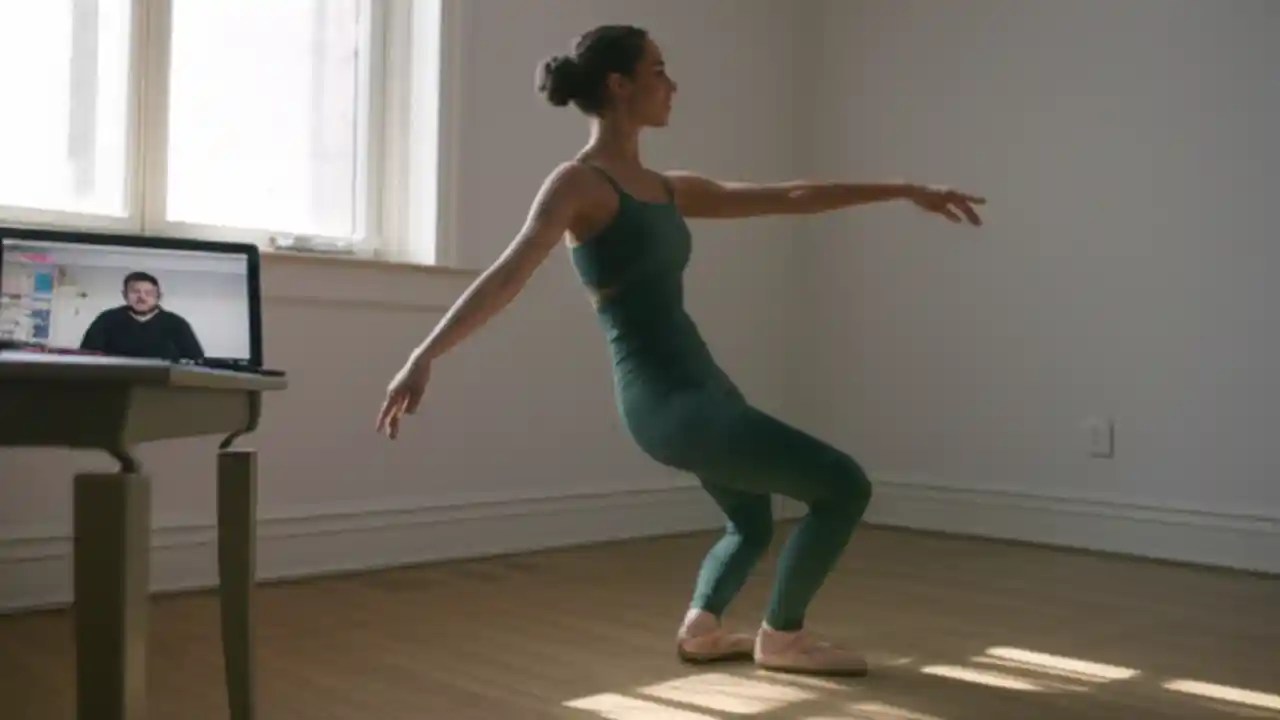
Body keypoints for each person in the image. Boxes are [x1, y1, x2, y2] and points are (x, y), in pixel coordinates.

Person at [375, 25, 984, 676]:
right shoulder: (578, 184)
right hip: (668, 403)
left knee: (750, 522)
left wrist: (901, 189)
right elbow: (508, 272)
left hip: (705, 389)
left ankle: (701, 628)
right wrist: (425, 353)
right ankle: (784, 637)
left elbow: (791, 197)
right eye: (658, 70)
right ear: (619, 85)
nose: (672, 85)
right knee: (843, 486)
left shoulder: (666, 189)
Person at [80, 270, 204, 361]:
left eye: (148, 293)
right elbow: (86, 356)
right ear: (125, 295)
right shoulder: (107, 320)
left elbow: (196, 361)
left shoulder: (176, 324)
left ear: (159, 296)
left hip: (164, 389)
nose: (142, 297)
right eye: (135, 292)